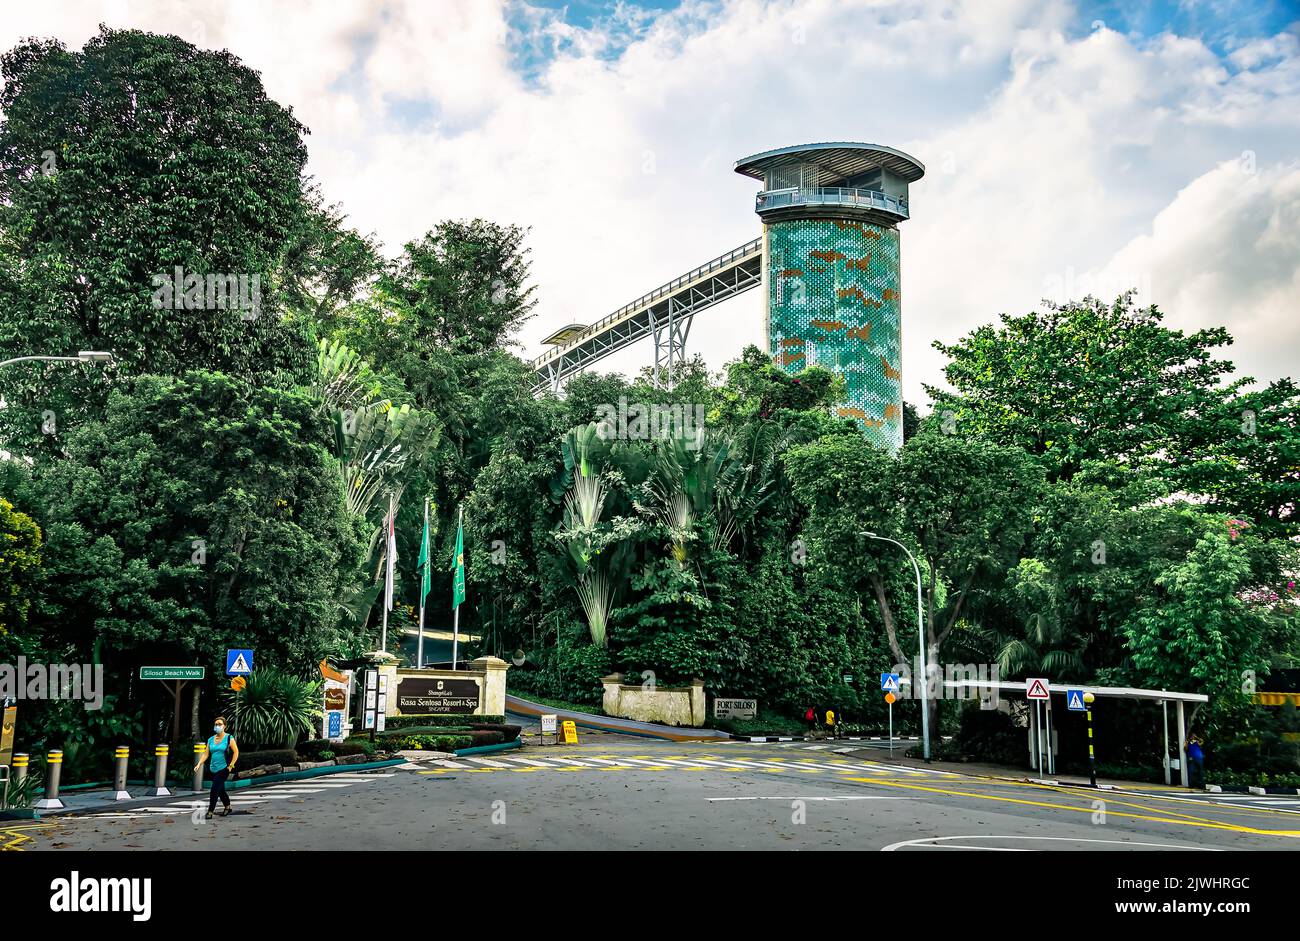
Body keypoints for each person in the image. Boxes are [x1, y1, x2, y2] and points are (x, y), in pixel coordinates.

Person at [195, 716, 239, 819]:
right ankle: (227, 806)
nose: (217, 726)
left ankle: (210, 811)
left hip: (224, 768)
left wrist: (231, 765)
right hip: (213, 768)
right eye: (216, 724)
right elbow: (206, 754)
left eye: (219, 724)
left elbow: (236, 752)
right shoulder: (210, 739)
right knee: (220, 790)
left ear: (225, 726)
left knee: (214, 789)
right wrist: (199, 764)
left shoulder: (229, 738)